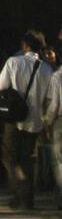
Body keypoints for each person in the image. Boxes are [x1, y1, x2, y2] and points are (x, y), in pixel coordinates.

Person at [0, 31, 54, 210]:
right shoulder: (47, 69)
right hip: (35, 121)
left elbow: (1, 85)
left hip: (14, 118)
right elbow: (49, 98)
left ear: (25, 46)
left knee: (9, 157)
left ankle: (20, 187)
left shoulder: (14, 62)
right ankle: (26, 200)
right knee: (27, 159)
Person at [43, 60, 62, 209]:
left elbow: (54, 105)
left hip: (60, 122)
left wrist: (48, 122)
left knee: (60, 162)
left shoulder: (57, 76)